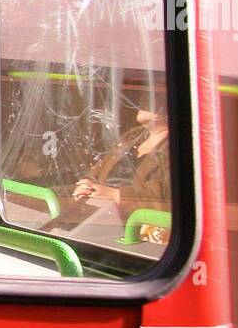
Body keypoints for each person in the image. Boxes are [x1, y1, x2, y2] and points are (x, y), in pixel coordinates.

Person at [72, 101, 170, 241]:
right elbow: (102, 165)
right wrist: (87, 183)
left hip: (133, 230)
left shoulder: (180, 146)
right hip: (101, 212)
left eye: (156, 94)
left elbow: (167, 195)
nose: (144, 99)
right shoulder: (134, 135)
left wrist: (115, 195)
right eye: (145, 93)